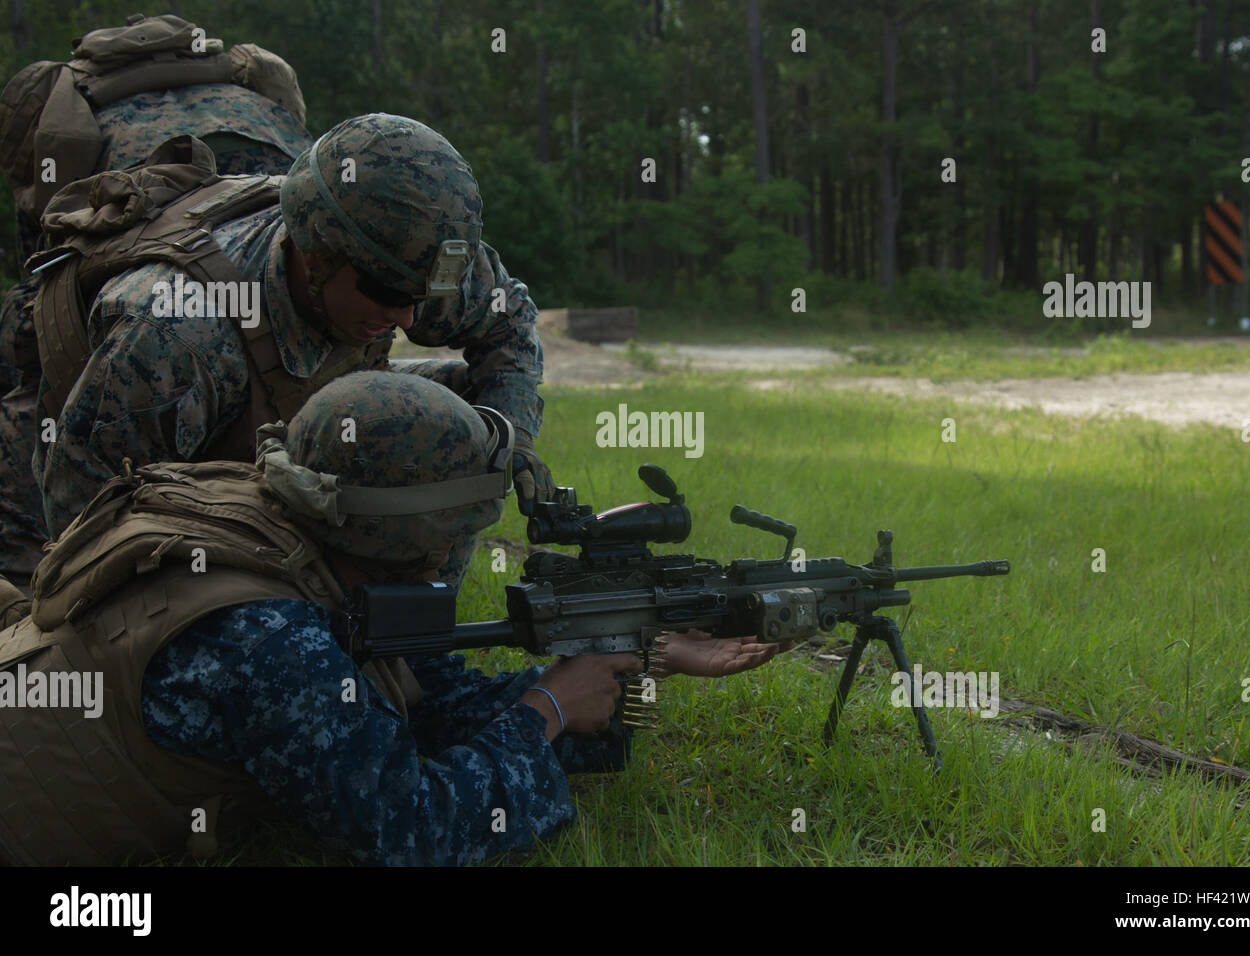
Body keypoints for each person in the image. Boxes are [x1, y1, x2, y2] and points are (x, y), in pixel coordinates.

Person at [0, 372, 788, 866]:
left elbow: (428, 705)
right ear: (402, 534)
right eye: (455, 527)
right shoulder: (271, 638)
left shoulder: (294, 525)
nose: (460, 547)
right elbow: (409, 833)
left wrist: (641, 660)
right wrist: (547, 711)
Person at [0, 112, 552, 589]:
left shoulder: (405, 257)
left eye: (423, 299)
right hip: (154, 469)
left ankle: (408, 627)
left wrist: (512, 435)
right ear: (314, 256)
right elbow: (84, 514)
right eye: (388, 295)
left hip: (279, 421)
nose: (407, 319)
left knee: (459, 428)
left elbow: (508, 323)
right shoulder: (177, 336)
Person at [0, 12, 314, 581]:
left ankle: (27, 581)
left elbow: (43, 278)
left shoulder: (76, 109)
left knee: (30, 382)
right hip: (282, 240)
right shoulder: (249, 93)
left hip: (165, 245)